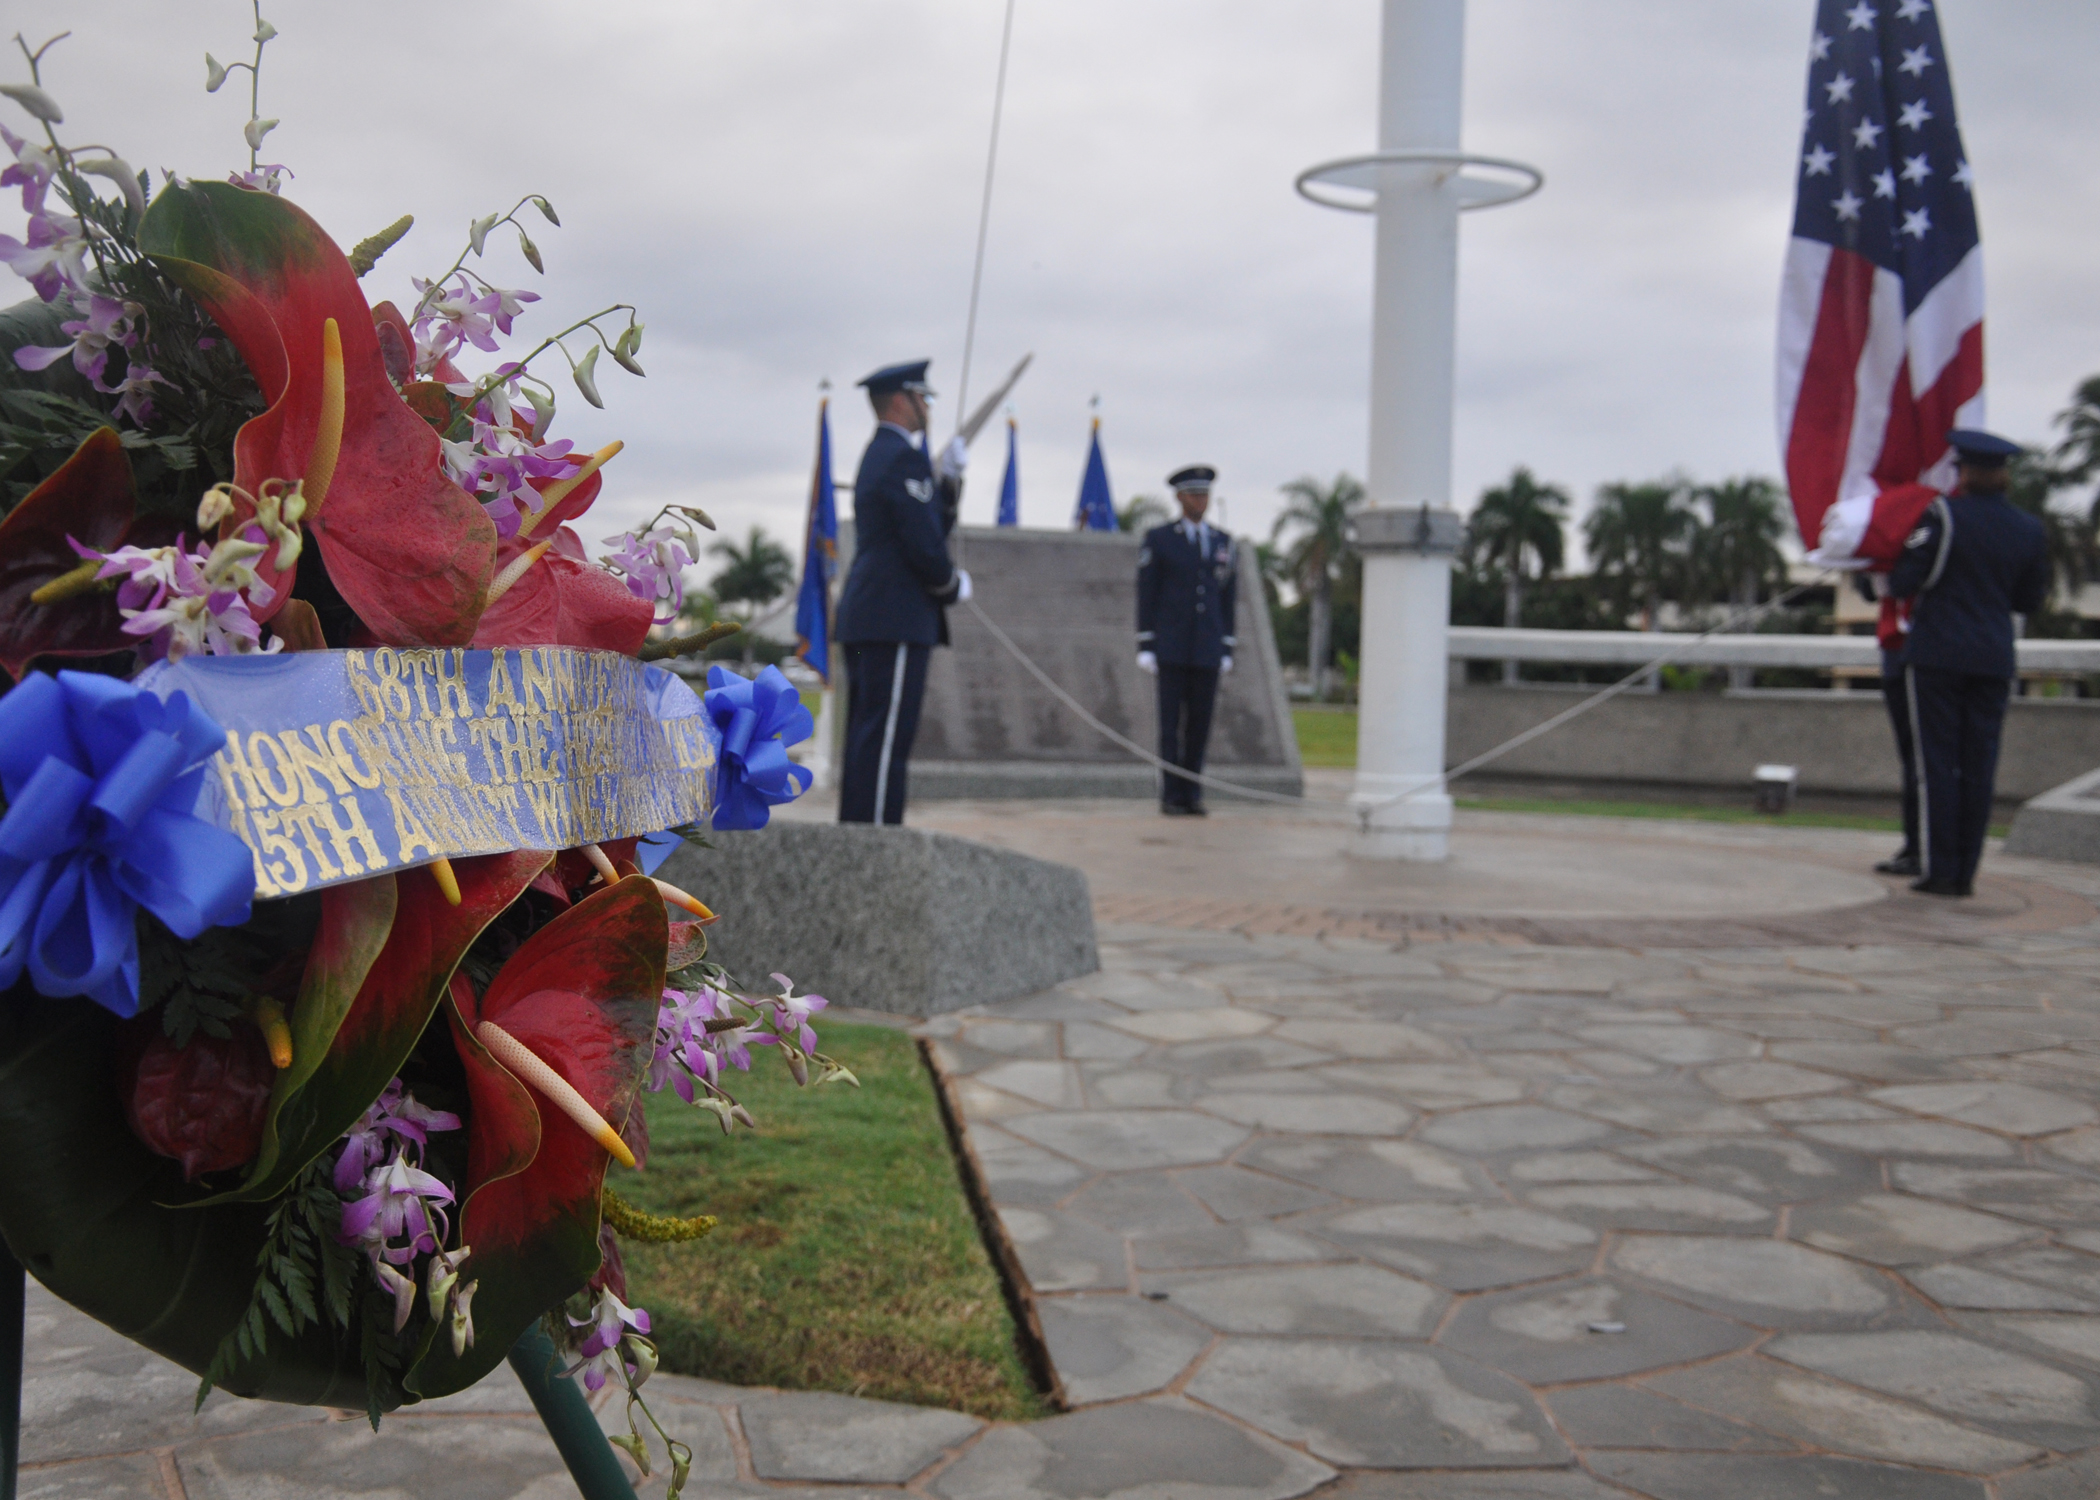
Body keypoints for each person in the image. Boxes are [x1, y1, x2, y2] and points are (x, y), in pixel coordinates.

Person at [1887, 429, 2051, 897]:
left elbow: (1905, 580)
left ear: (1967, 473)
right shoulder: (2029, 529)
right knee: (1980, 766)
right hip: (1994, 657)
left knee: (1935, 763)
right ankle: (1965, 873)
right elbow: (2028, 600)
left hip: (1938, 654)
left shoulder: (1941, 516)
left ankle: (1939, 868)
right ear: (2002, 475)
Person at [833, 360, 971, 825]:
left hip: (875, 613)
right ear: (901, 400)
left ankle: (862, 834)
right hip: (893, 614)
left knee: (870, 736)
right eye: (923, 398)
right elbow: (923, 543)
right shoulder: (901, 456)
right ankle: (875, 839)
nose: (928, 408)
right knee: (886, 736)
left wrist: (949, 485)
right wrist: (950, 584)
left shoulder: (884, 455)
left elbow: (927, 521)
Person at [1136, 465, 1237, 816]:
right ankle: (1171, 794)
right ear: (1179, 498)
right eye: (1194, 495)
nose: (1201, 501)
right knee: (1170, 727)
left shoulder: (1223, 542)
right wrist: (1146, 643)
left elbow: (1226, 597)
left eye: (1205, 494)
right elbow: (1147, 594)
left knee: (1199, 726)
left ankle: (1193, 793)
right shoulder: (1161, 538)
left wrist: (1226, 646)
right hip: (1172, 646)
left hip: (1207, 647)